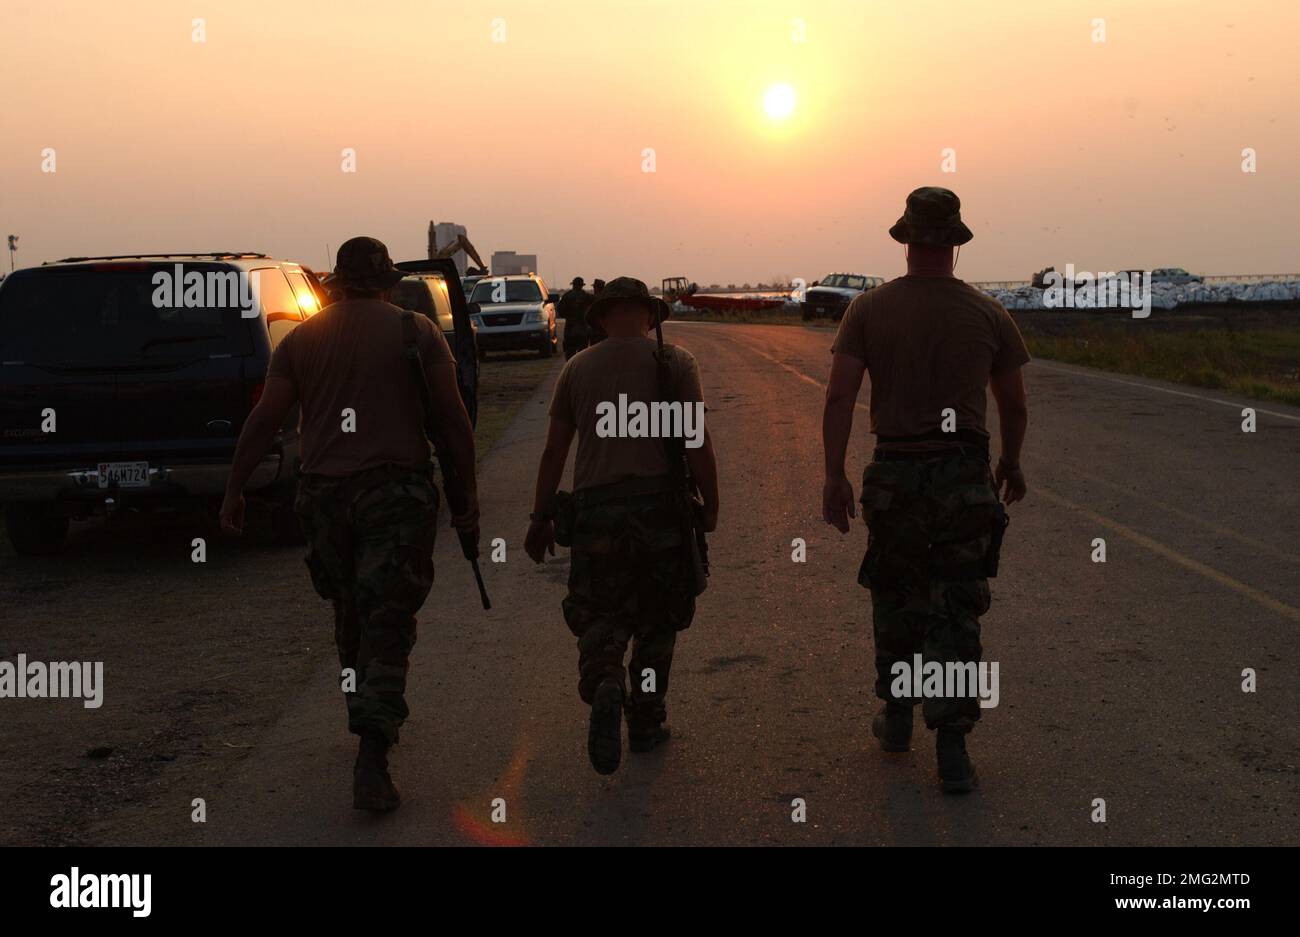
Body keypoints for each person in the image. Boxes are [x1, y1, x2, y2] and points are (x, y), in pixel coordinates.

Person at [220, 236, 480, 812]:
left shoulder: (302, 338)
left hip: (324, 497)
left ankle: (361, 709)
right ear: (388, 283)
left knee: (350, 612)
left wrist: (235, 489)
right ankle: (372, 747)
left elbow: (266, 419)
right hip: (394, 493)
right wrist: (468, 498)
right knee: (388, 618)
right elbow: (454, 422)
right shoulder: (417, 331)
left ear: (336, 285)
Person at [820, 187, 1029, 793]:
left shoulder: (868, 310)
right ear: (956, 246)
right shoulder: (989, 313)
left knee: (896, 595)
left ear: (906, 241)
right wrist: (1010, 465)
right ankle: (954, 746)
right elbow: (1013, 406)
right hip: (964, 474)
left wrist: (833, 475)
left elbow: (840, 396)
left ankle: (898, 716)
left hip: (896, 473)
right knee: (956, 606)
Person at [524, 277, 719, 775]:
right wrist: (711, 505)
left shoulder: (577, 368)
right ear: (650, 317)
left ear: (602, 317)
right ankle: (647, 722)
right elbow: (695, 441)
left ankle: (606, 678)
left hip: (596, 514)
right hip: (662, 510)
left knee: (600, 613)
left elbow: (554, 451)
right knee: (657, 623)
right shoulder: (676, 363)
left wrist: (540, 516)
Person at [558, 276, 593, 358]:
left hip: (570, 329)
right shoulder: (588, 297)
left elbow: (561, 312)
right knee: (583, 353)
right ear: (582, 285)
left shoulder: (566, 296)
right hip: (583, 329)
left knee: (570, 354)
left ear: (573, 285)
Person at [587, 279, 607, 344]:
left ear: (596, 288)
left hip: (595, 330)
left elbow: (587, 316)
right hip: (606, 330)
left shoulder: (591, 299)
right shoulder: (608, 299)